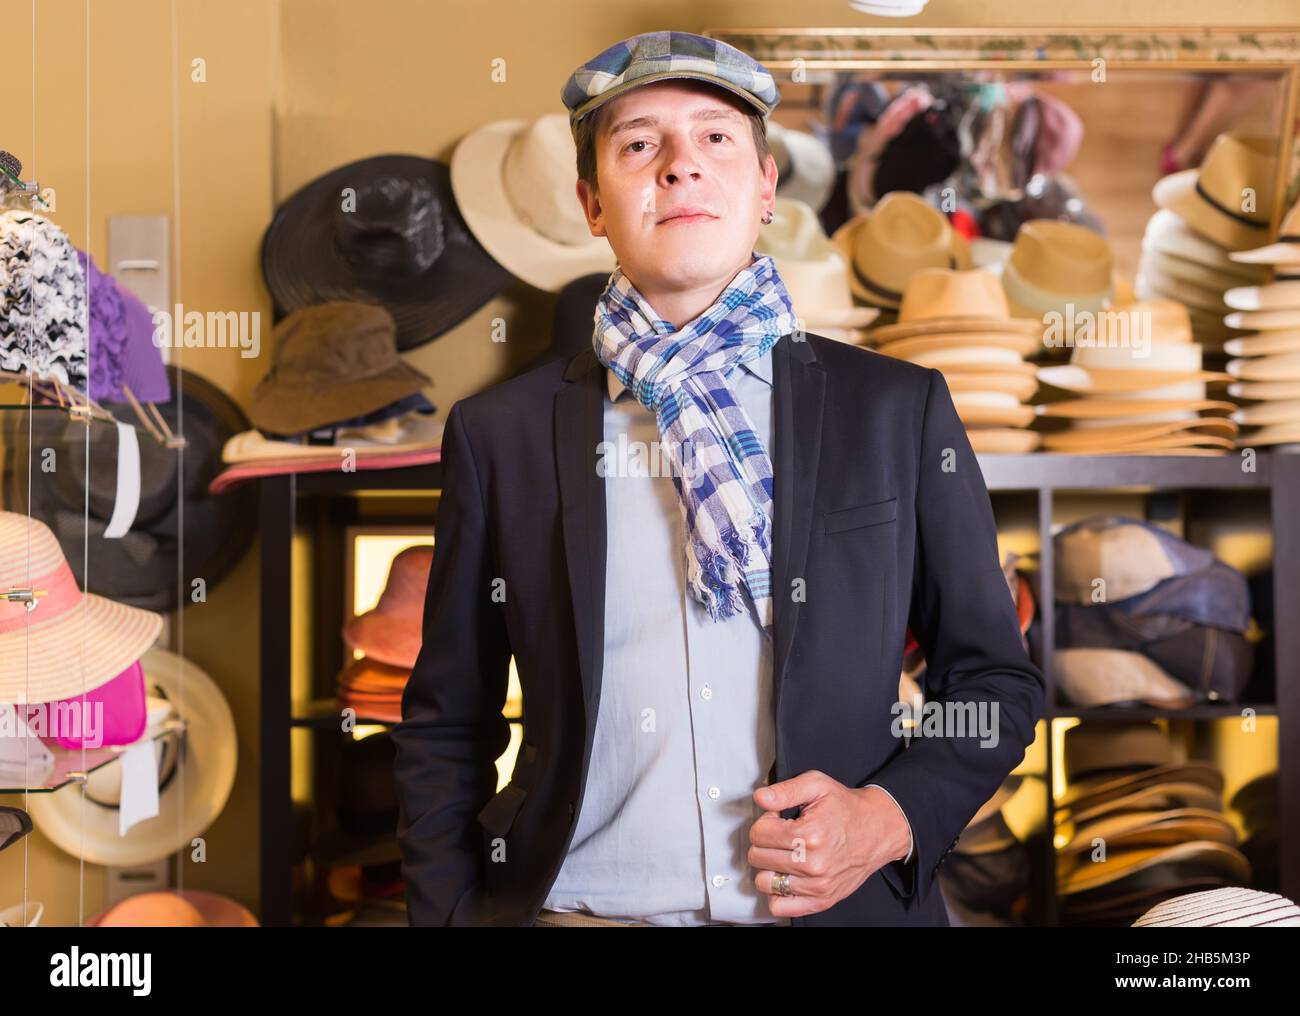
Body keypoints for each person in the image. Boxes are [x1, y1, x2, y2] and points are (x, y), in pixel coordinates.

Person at [392, 30, 1045, 928]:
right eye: (637, 145)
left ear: (766, 186)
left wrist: (888, 819)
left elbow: (995, 686)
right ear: (592, 201)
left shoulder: (897, 412)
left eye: (715, 138)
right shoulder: (499, 436)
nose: (679, 167)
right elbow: (445, 721)